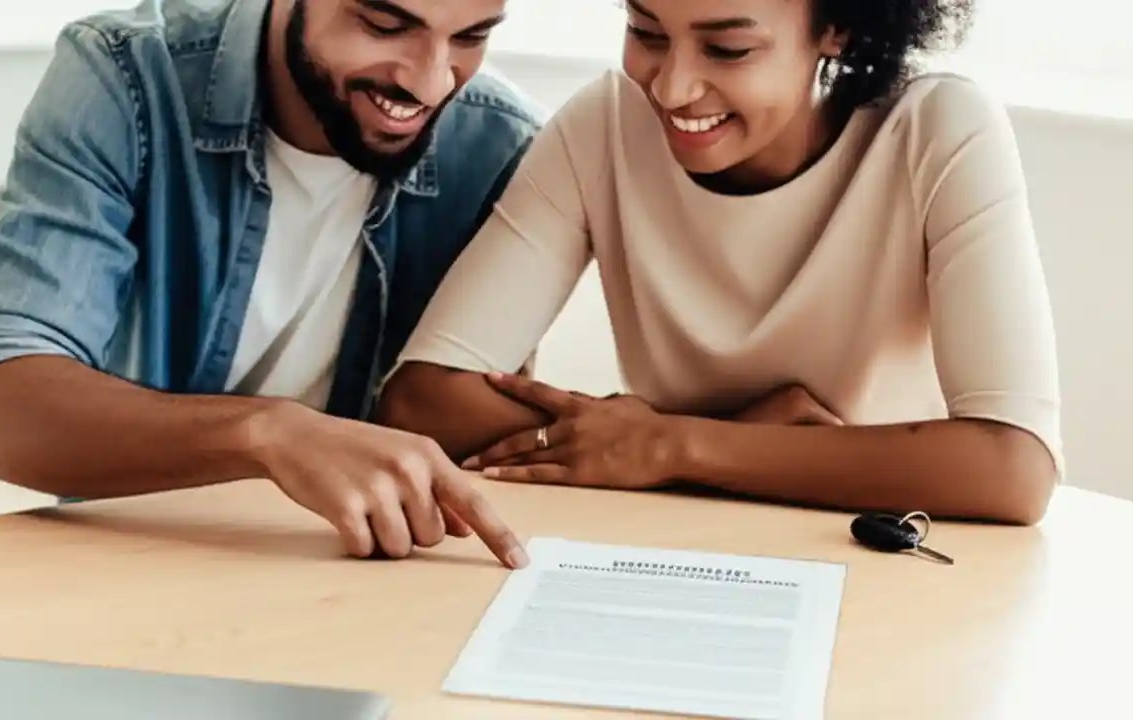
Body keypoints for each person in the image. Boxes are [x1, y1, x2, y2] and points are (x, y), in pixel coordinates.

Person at [380, 0, 1062, 525]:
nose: (672, 87)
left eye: (728, 48)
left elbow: (1012, 467)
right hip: (675, 549)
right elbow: (422, 399)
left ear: (838, 26)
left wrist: (673, 448)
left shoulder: (937, 130)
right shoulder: (606, 125)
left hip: (879, 555)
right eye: (646, 33)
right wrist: (706, 445)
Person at [0, 0, 541, 569]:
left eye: (471, 36)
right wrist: (267, 435)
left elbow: (479, 449)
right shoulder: (128, 76)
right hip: (128, 562)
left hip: (352, 577)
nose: (432, 84)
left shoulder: (497, 145)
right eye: (385, 24)